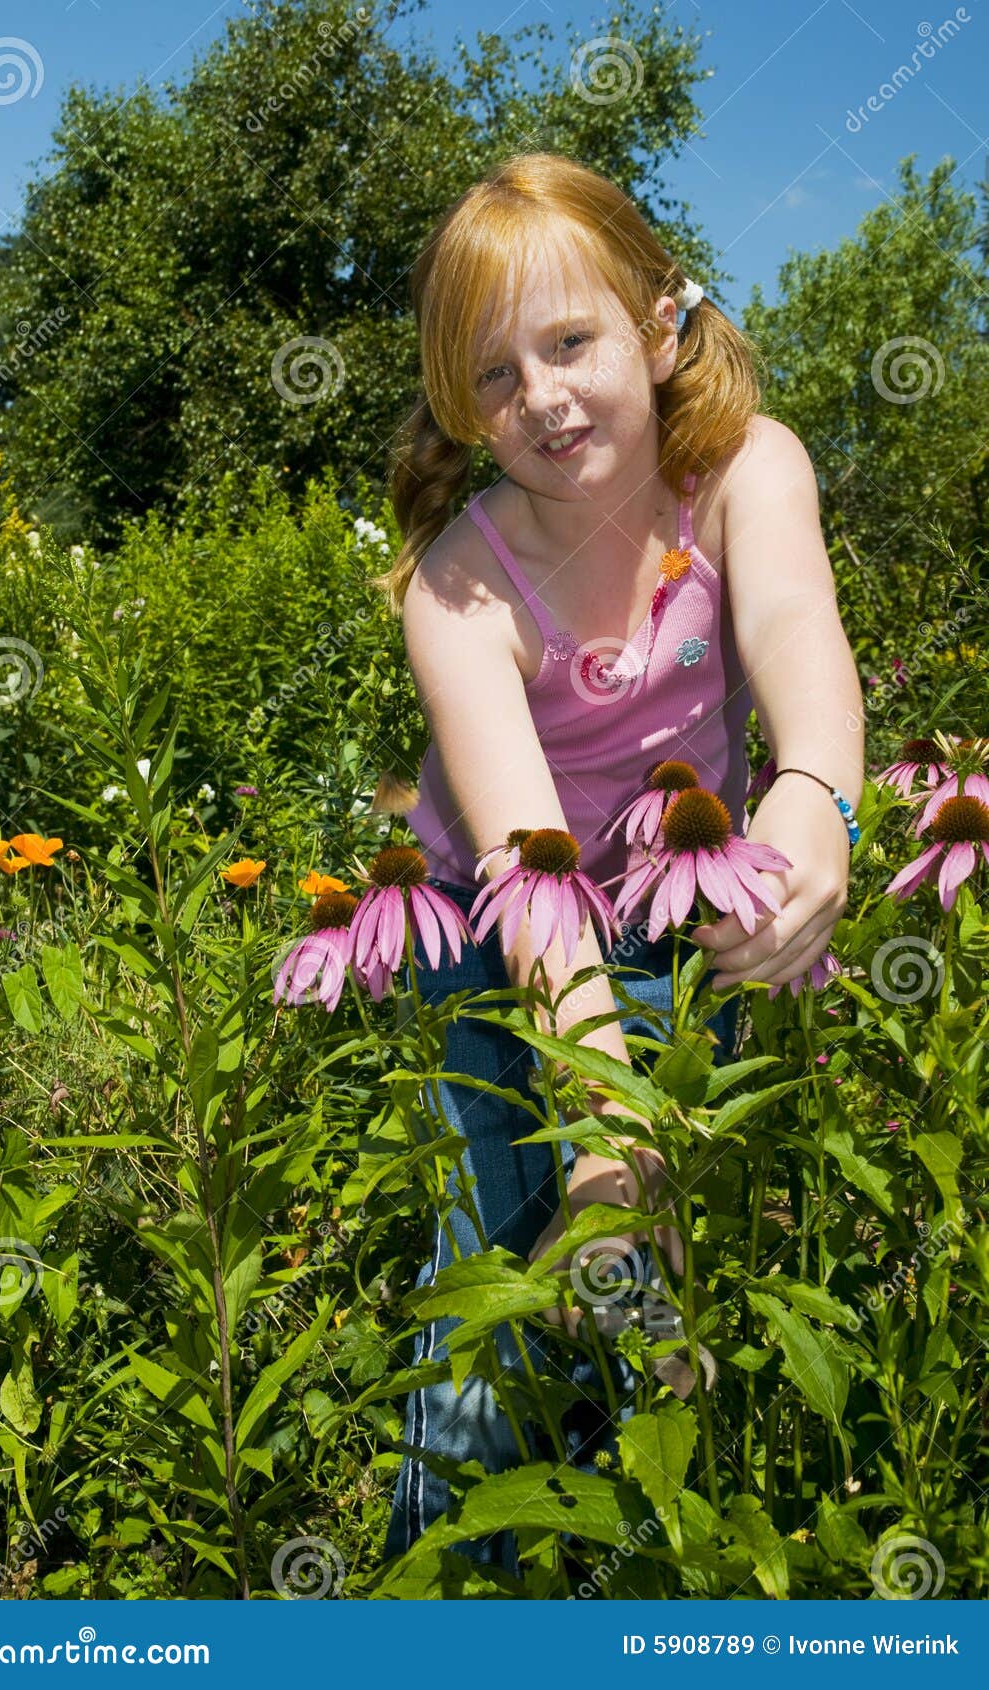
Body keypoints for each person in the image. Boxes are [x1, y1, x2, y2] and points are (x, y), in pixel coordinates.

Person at [371, 151, 864, 1576]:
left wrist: (815, 800)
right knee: (515, 1235)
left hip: (672, 893)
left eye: (571, 341)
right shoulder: (459, 585)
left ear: (658, 321)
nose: (543, 398)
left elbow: (793, 631)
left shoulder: (745, 469)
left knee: (681, 1249)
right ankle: (447, 1568)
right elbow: (530, 875)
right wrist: (598, 1123)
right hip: (501, 924)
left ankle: (645, 1554)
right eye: (495, 374)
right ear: (463, 405)